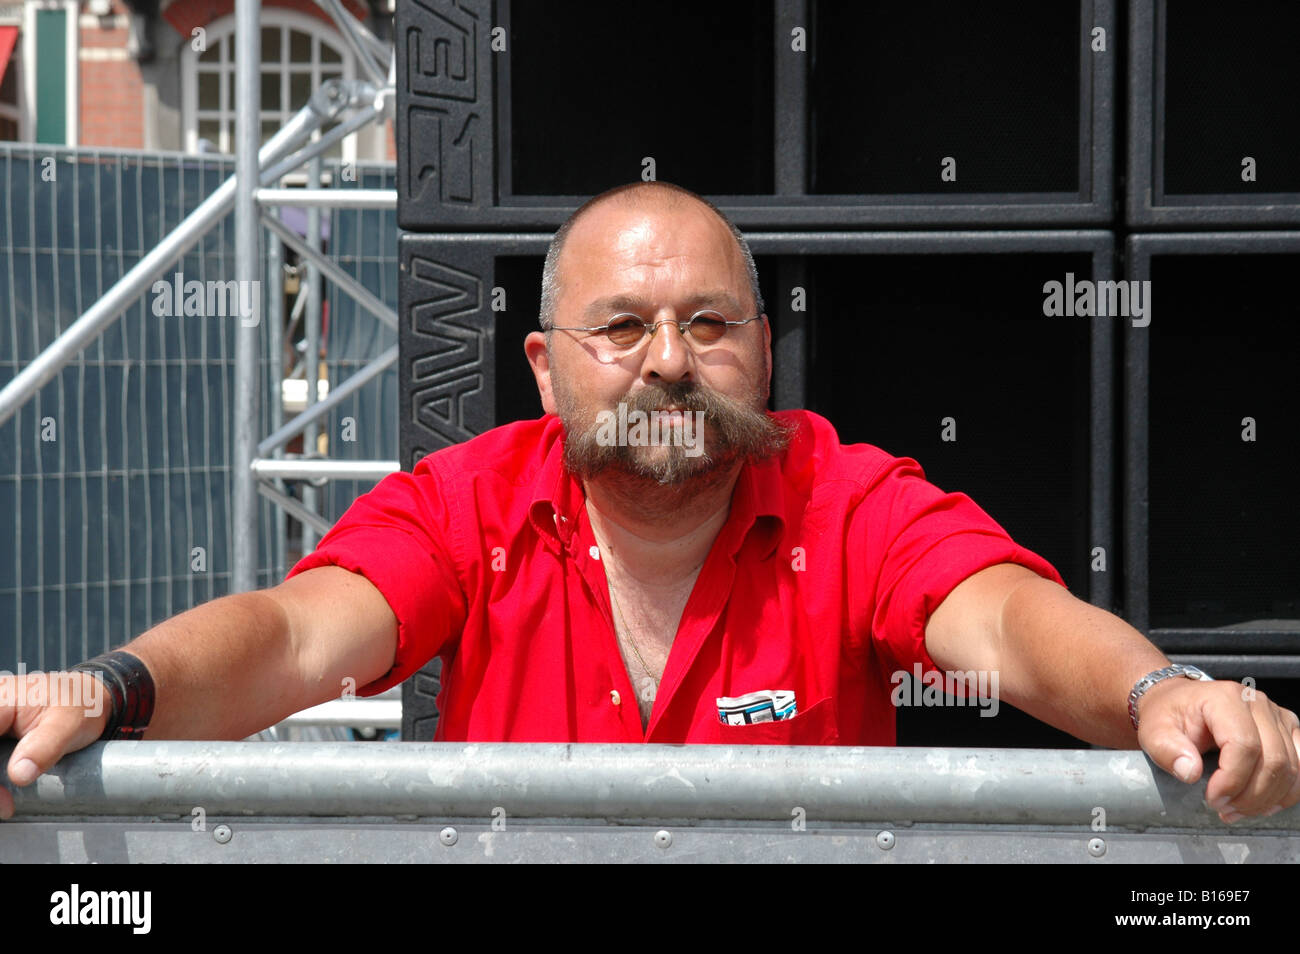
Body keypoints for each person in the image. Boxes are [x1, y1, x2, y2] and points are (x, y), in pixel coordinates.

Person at [2, 181, 1297, 825]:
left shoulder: (844, 493)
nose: (669, 358)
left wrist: (1154, 693)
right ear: (546, 365)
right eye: (621, 325)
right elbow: (293, 639)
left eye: (708, 322)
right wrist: (108, 688)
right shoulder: (470, 500)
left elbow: (1012, 625)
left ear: (765, 352)